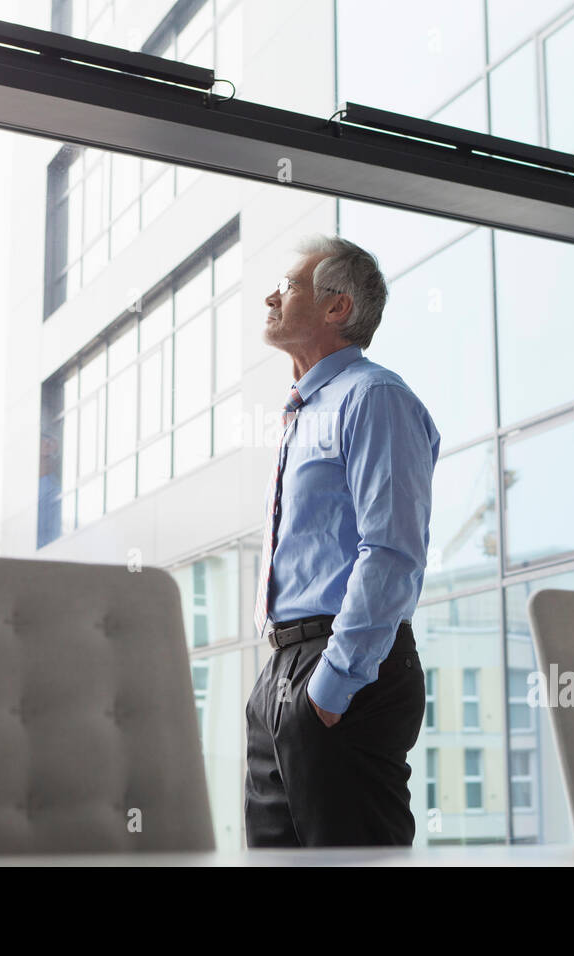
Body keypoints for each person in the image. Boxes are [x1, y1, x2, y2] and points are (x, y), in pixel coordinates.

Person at [244, 234, 441, 847]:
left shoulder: (373, 397)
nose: (271, 296)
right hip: (283, 671)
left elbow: (391, 552)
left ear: (336, 308)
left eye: (290, 285)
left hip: (342, 670)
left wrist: (332, 686)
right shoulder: (303, 412)